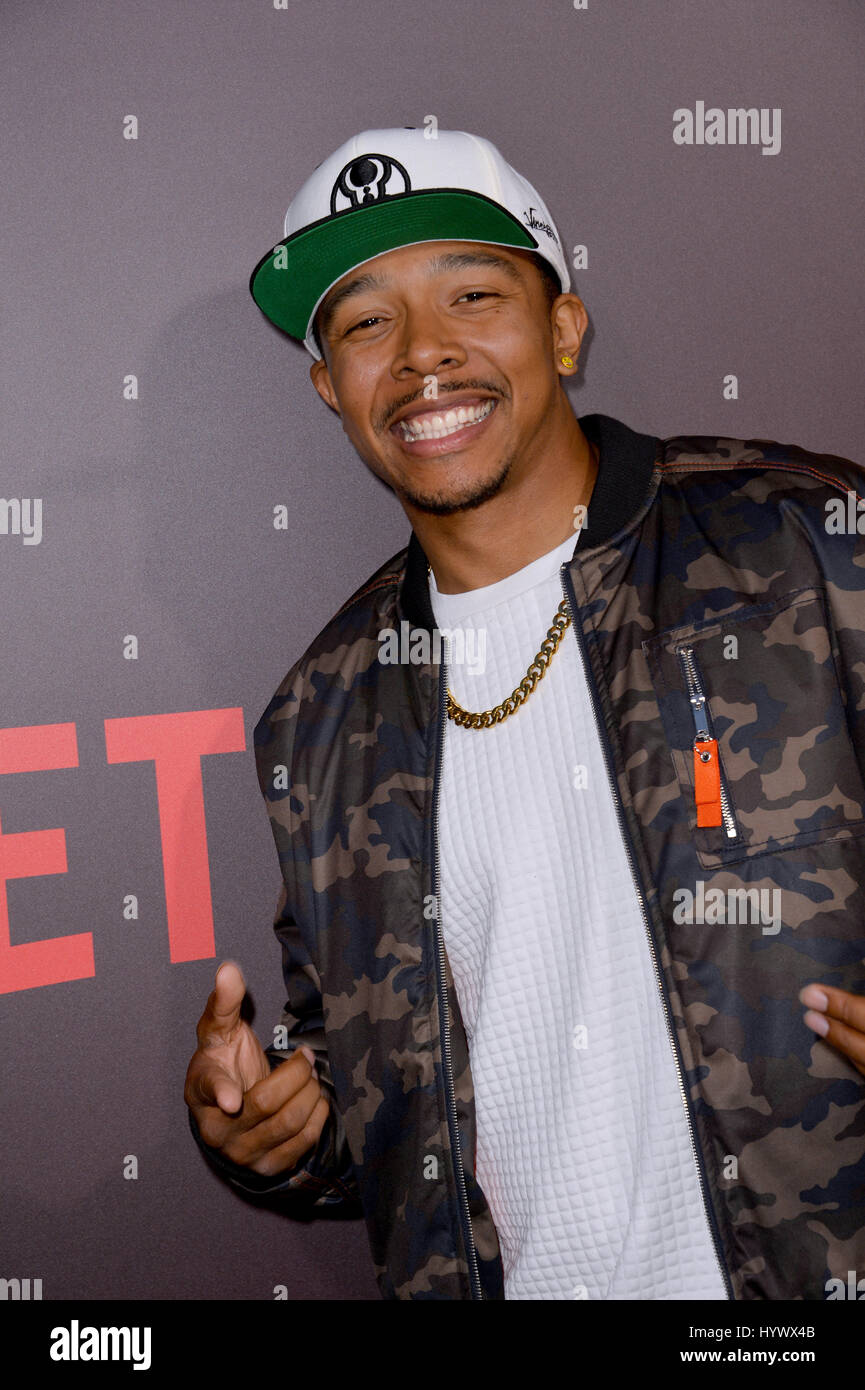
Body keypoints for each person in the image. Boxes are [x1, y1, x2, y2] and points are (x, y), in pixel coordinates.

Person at [184, 126, 865, 1301]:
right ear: (327, 384)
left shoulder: (803, 541)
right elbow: (373, 1101)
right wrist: (274, 1130)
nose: (422, 356)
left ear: (561, 327)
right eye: (364, 324)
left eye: (472, 294)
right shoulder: (320, 713)